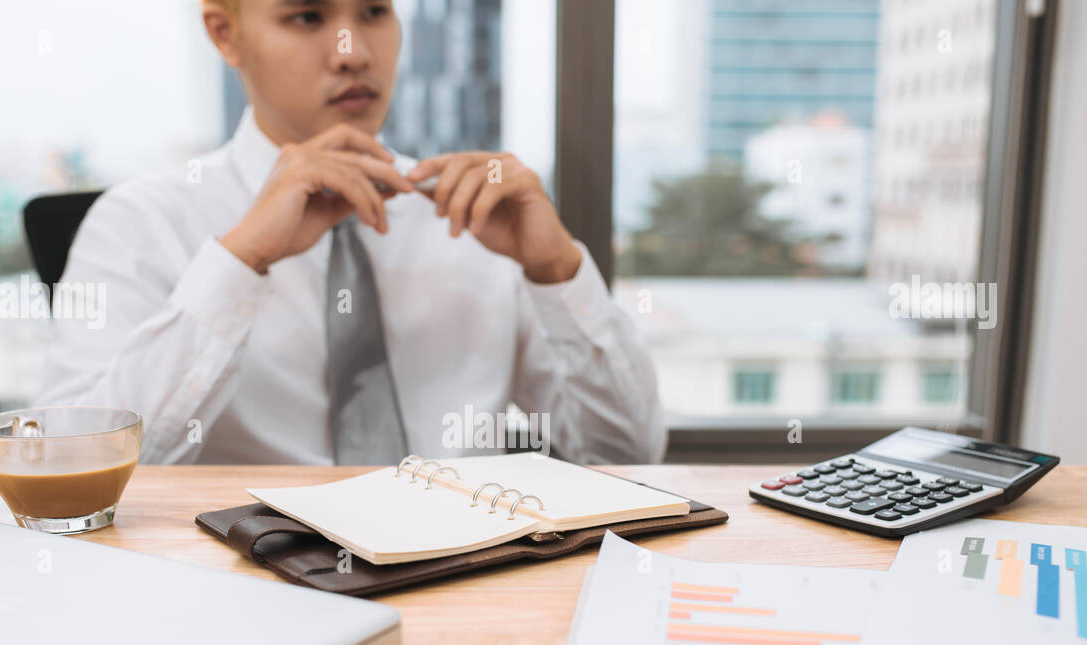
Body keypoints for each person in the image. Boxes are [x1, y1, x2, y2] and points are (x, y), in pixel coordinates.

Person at [36, 0, 666, 466]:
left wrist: (557, 271)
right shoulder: (140, 223)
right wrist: (242, 260)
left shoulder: (479, 218)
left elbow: (626, 456)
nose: (354, 51)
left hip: (471, 590)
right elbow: (74, 465)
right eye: (308, 17)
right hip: (249, 598)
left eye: (374, 11)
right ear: (225, 34)